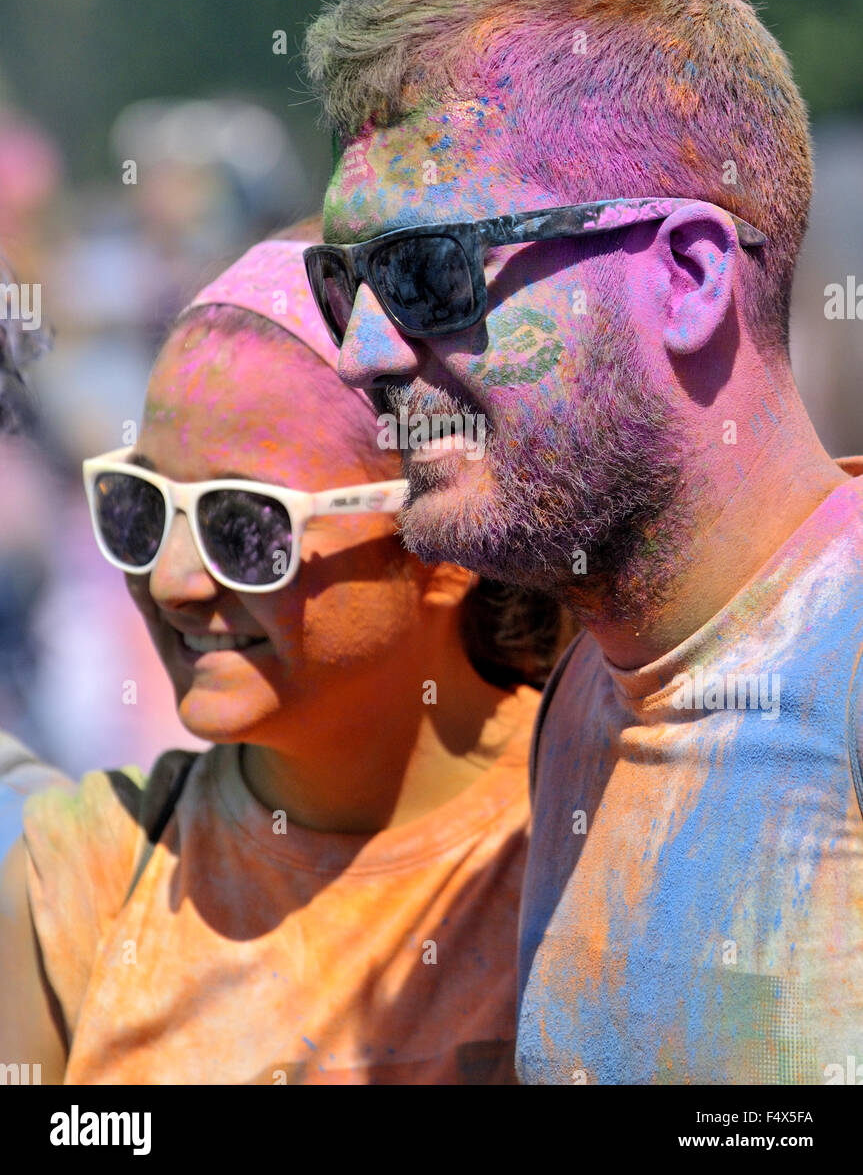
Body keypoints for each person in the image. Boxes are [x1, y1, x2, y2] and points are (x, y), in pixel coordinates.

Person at [301, 0, 863, 1084]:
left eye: (423, 270)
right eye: (341, 282)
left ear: (688, 278)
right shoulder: (587, 688)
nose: (361, 352)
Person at [0, 237, 572, 1085]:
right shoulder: (75, 883)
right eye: (139, 508)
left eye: (247, 527)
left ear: (442, 544)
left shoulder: (596, 831)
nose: (170, 582)